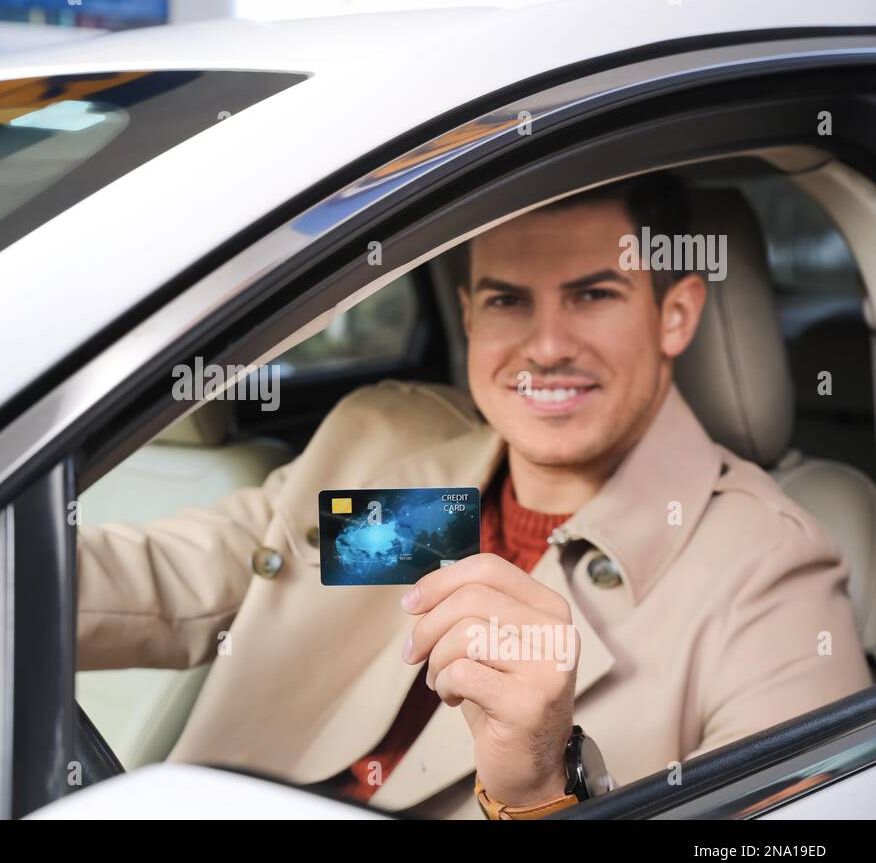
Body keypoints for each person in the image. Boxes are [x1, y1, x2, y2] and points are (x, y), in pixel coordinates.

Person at [74, 172, 871, 818]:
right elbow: (170, 578)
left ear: (675, 315)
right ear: (467, 315)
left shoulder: (768, 573)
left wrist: (538, 790)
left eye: (594, 295)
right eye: (508, 300)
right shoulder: (401, 462)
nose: (548, 346)